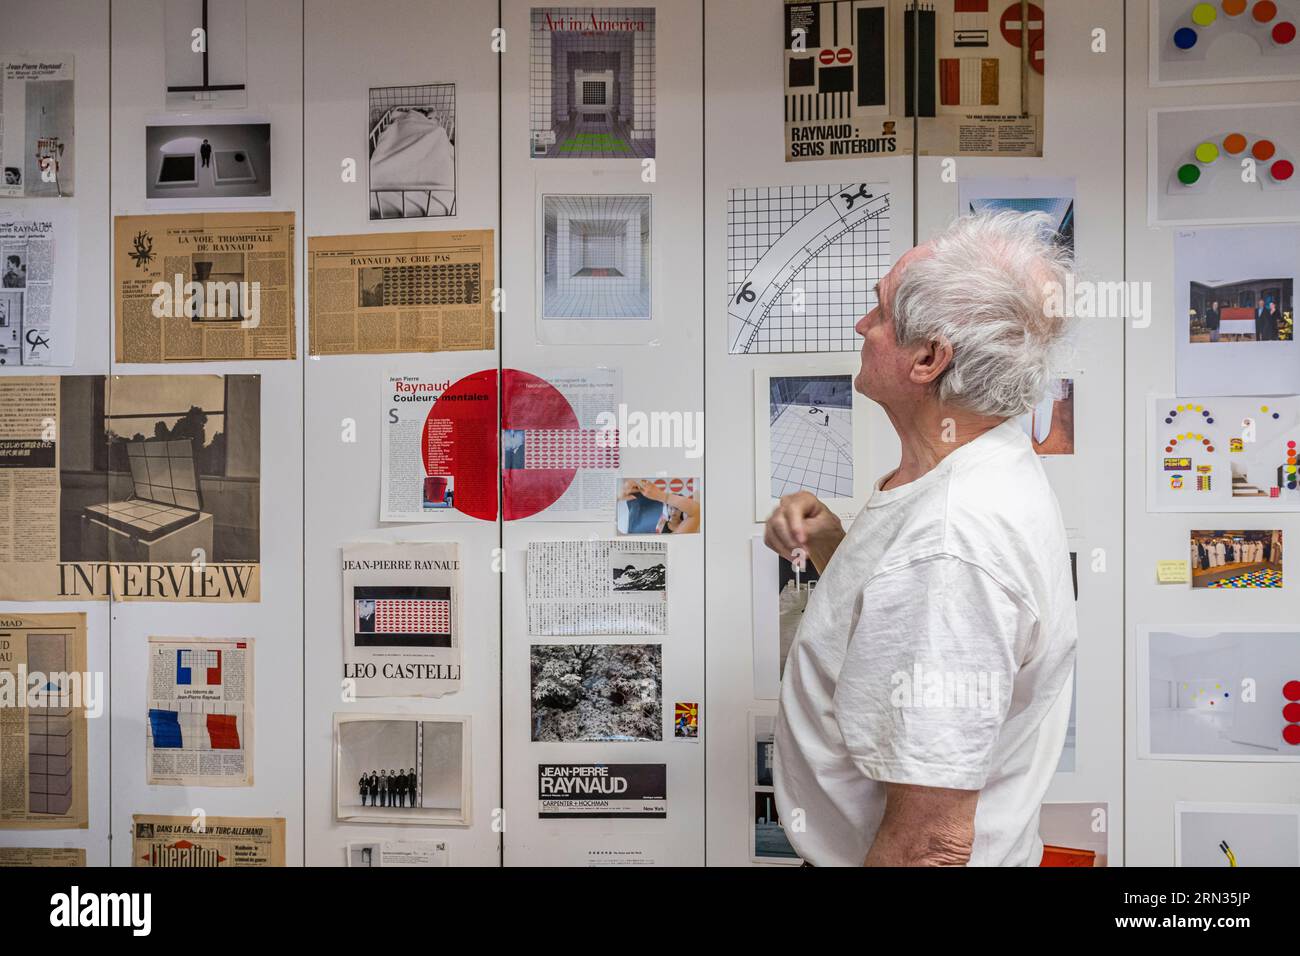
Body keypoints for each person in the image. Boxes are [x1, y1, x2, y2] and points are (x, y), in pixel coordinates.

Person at [766, 212, 1078, 866]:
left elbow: (931, 844)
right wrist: (830, 545)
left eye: (878, 314)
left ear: (930, 358)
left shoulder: (955, 535)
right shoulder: (974, 472)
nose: (862, 327)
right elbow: (902, 614)